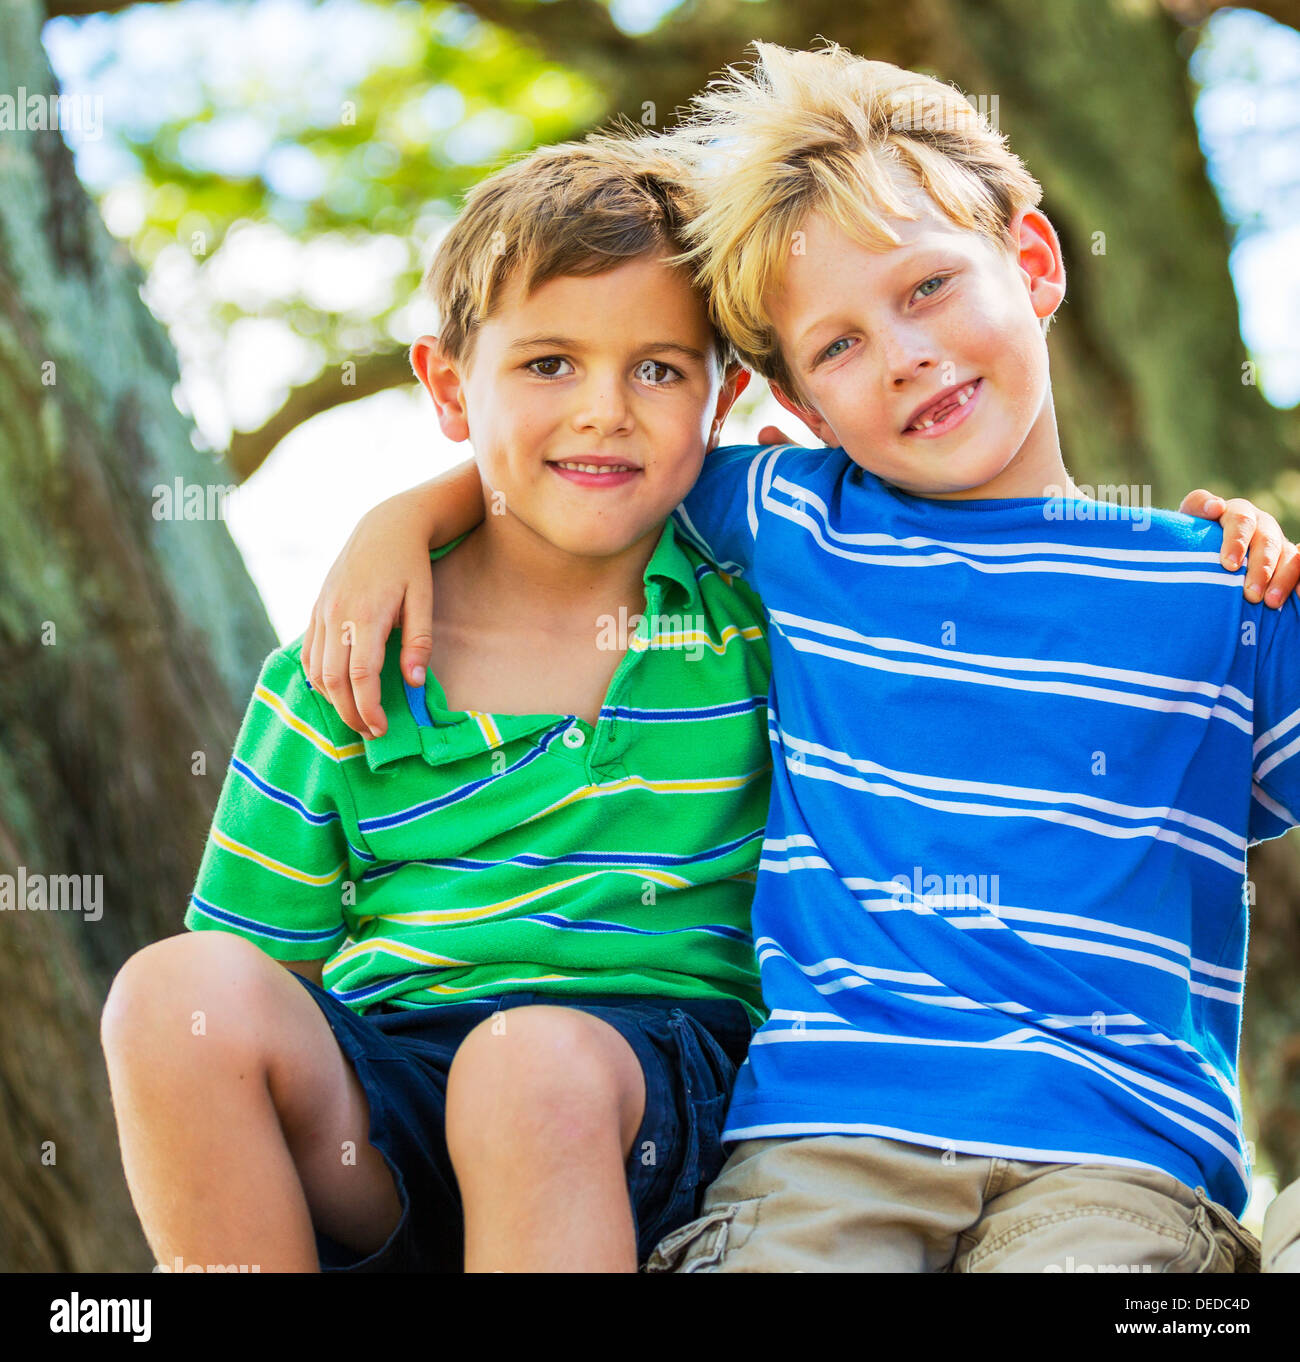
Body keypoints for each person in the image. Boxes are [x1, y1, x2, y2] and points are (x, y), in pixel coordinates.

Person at [300, 44, 1300, 1273]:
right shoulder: (791, 518)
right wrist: (401, 517)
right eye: (836, 346)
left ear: (1034, 263)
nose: (902, 353)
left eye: (929, 286)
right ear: (801, 413)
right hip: (825, 1140)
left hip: (1116, 1151)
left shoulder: (1220, 591)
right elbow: (594, 457)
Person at [99, 134, 774, 1274]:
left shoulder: (755, 617)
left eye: (658, 369)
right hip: (398, 1100)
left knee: (526, 1068)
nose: (604, 410)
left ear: (728, 397)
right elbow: (264, 975)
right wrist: (402, 523)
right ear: (450, 388)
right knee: (172, 995)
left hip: (645, 1093)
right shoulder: (344, 664)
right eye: (548, 363)